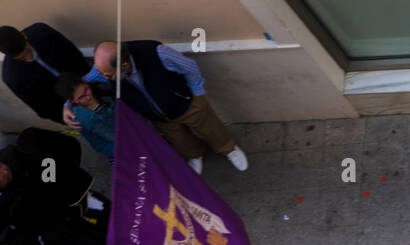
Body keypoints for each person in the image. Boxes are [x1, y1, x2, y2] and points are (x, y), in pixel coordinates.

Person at [69, 40, 247, 175]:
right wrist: (67, 104)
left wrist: (197, 94)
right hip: (159, 118)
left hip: (187, 104)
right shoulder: (105, 68)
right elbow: (85, 81)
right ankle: (195, 154)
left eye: (106, 74)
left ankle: (228, 148)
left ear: (124, 65)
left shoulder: (157, 53)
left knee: (210, 128)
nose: (100, 76)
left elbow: (190, 67)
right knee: (180, 140)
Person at [0, 127, 116, 245]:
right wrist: (41, 242)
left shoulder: (29, 146)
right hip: (58, 228)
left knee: (114, 220)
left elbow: (67, 149)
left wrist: (55, 183)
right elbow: (6, 234)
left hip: (77, 200)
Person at [0, 22, 89, 124]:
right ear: (9, 56)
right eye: (22, 58)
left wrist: (89, 82)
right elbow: (42, 108)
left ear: (24, 35)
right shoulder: (12, 77)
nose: (29, 57)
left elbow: (74, 55)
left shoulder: (43, 33)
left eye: (28, 51)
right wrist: (66, 117)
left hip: (88, 83)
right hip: (73, 112)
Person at [52, 72, 116, 161]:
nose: (88, 97)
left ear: (85, 82)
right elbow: (99, 145)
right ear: (72, 101)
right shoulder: (78, 120)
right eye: (81, 97)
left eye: (86, 90)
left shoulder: (104, 90)